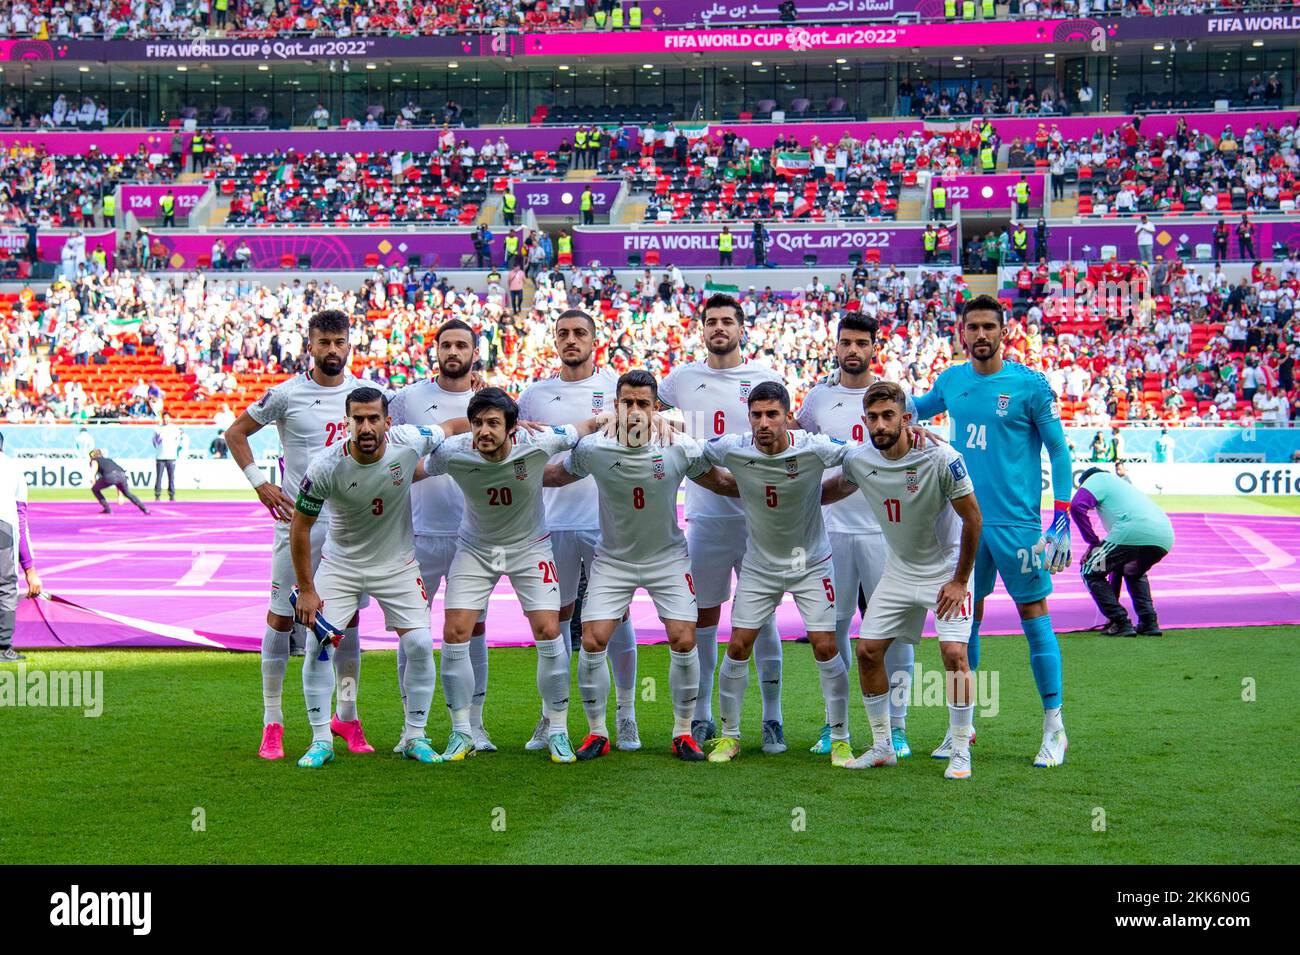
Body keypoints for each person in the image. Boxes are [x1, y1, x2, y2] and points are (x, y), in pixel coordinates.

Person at [909, 294, 1073, 768]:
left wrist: (1060, 515)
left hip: (1017, 525)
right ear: (961, 333)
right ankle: (965, 725)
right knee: (966, 617)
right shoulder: (951, 380)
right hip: (965, 521)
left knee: (1033, 614)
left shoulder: (1031, 385)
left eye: (988, 327)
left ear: (1004, 331)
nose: (980, 335)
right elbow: (911, 410)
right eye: (972, 327)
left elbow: (1059, 453)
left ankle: (1054, 727)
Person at [542, 370, 737, 762]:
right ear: (615, 405)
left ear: (655, 408)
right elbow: (553, 477)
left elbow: (723, 482)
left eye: (642, 404)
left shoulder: (680, 446)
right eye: (626, 403)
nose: (633, 411)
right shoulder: (593, 448)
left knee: (684, 638)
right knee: (594, 639)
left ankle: (683, 733)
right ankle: (597, 732)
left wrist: (774, 483)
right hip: (613, 560)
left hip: (667, 558)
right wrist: (505, 468)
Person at [417, 388, 616, 763]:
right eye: (477, 423)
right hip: (474, 549)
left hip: (530, 547)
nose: (483, 431)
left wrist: (630, 418)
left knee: (548, 628)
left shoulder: (539, 440)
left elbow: (588, 425)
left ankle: (557, 729)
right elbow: (410, 470)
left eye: (493, 423)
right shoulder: (453, 451)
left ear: (513, 428)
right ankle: (462, 732)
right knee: (455, 631)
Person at [224, 310, 374, 760]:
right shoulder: (287, 395)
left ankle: (345, 715)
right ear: (309, 345)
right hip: (296, 526)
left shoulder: (365, 397)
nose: (332, 350)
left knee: (346, 623)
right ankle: (273, 721)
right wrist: (259, 482)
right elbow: (236, 432)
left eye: (339, 341)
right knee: (280, 617)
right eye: (323, 342)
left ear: (350, 345)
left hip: (349, 526)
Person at [291, 388, 461, 768]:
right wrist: (306, 589)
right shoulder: (325, 466)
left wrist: (508, 426)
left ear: (388, 422)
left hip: (398, 565)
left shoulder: (410, 440)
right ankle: (321, 739)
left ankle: (414, 736)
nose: (365, 427)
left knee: (418, 644)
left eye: (373, 418)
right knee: (321, 646)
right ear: (346, 422)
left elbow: (452, 425)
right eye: (358, 419)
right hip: (341, 566)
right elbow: (300, 528)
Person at [821, 381, 982, 778]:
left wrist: (960, 580)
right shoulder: (859, 460)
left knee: (954, 655)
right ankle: (882, 746)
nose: (880, 424)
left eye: (888, 415)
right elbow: (828, 490)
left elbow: (974, 518)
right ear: (864, 421)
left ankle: (960, 747)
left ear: (907, 418)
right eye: (872, 417)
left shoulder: (942, 457)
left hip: (945, 572)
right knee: (868, 651)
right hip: (898, 570)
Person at [696, 381, 855, 767]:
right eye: (756, 415)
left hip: (812, 564)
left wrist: (825, 493)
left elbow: (860, 459)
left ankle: (841, 738)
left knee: (825, 646)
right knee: (737, 646)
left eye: (772, 414)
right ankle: (730, 736)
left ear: (788, 416)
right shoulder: (734, 447)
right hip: (760, 566)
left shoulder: (814, 447)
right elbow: (692, 456)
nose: (763, 423)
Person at [657, 293, 787, 750]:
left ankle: (772, 717)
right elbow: (638, 404)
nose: (718, 328)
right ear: (702, 329)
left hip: (759, 521)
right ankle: (704, 715)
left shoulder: (765, 378)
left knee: (762, 618)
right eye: (711, 321)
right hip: (706, 517)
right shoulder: (681, 378)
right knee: (704, 616)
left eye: (727, 321)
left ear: (741, 328)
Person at [517, 311, 640, 751]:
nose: (572, 340)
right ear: (554, 340)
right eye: (564, 333)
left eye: (579, 333)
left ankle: (626, 714)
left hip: (606, 521)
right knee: (554, 623)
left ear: (595, 340)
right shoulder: (534, 394)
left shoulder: (616, 390)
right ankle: (552, 717)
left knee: (619, 618)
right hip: (550, 523)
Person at [796, 314, 912, 758]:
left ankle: (897, 729)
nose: (852, 350)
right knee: (833, 629)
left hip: (886, 532)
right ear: (836, 346)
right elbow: (802, 447)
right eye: (845, 342)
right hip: (831, 532)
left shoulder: (892, 397)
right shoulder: (818, 399)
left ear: (873, 348)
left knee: (895, 633)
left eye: (861, 342)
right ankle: (835, 724)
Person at [388, 319, 496, 752]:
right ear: (435, 350)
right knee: (413, 631)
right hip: (416, 534)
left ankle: (474, 725)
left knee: (474, 630)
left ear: (474, 351)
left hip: (475, 535)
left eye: (461, 345)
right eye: (446, 345)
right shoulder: (407, 399)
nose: (453, 352)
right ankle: (411, 728)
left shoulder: (490, 401)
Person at [1071, 467, 1174, 637]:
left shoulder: (1096, 479)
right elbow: (1115, 571)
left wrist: (1092, 542)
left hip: (1133, 529)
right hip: (1164, 535)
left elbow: (1076, 505)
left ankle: (1120, 622)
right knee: (1132, 570)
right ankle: (1149, 622)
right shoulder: (1121, 487)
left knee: (1089, 569)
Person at [0, 432, 40, 662]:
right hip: (3, 526)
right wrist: (30, 569)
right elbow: (21, 519)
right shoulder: (14, 468)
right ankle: (3, 647)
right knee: (5, 585)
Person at [89, 450, 150, 515]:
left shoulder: (94, 460)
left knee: (94, 489)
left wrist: (93, 479)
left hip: (110, 476)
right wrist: (120, 496)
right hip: (122, 475)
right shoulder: (108, 460)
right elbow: (117, 480)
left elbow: (93, 471)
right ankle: (144, 509)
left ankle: (108, 509)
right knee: (128, 493)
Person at [152, 412, 186, 502]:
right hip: (160, 457)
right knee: (159, 477)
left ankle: (171, 495)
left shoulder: (174, 429)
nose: (165, 420)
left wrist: (173, 449)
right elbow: (154, 442)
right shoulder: (157, 429)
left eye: (167, 418)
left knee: (171, 477)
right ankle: (157, 495)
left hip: (171, 457)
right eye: (164, 418)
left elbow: (178, 441)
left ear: (170, 418)